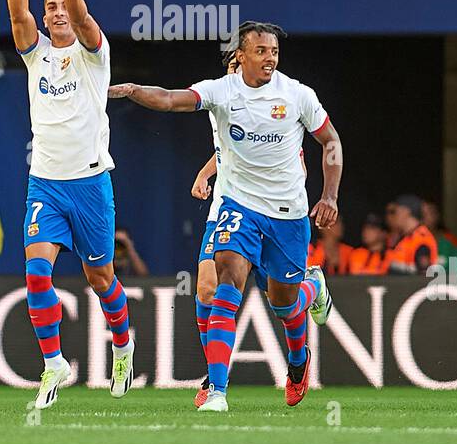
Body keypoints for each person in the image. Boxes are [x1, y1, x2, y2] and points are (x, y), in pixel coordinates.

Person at [109, 20, 341, 412]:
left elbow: (330, 139)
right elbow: (169, 99)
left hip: (287, 212)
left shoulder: (297, 95)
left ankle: (305, 325)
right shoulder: (222, 90)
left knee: (284, 304)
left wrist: (330, 195)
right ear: (242, 55)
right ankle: (217, 389)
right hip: (237, 206)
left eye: (274, 52)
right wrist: (133, 90)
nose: (270, 59)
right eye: (262, 51)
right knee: (222, 285)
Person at [0, 0, 134, 409]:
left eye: (63, 6)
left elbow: (87, 24)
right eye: (50, 5)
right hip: (46, 183)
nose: (57, 12)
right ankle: (54, 362)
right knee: (37, 272)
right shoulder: (36, 55)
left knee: (101, 279)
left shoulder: (94, 55)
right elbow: (19, 20)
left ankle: (122, 345)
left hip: (91, 183)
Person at [189, 48, 241, 407]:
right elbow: (224, 149)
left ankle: (310, 285)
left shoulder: (276, 103)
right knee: (207, 289)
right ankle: (215, 380)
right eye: (234, 65)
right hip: (223, 209)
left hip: (264, 210)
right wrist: (205, 173)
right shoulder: (220, 100)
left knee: (281, 297)